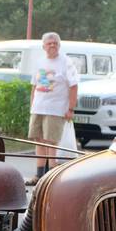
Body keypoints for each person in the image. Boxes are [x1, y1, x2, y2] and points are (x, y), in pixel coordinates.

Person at [27, 31, 79, 183]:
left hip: (55, 109)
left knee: (51, 141)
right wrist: (32, 105)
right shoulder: (39, 62)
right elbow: (34, 86)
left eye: (55, 43)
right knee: (39, 140)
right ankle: (39, 175)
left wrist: (70, 108)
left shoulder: (66, 62)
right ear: (43, 46)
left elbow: (74, 86)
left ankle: (51, 175)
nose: (52, 46)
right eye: (49, 43)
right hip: (38, 107)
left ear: (59, 46)